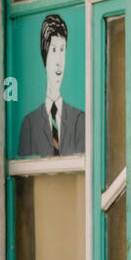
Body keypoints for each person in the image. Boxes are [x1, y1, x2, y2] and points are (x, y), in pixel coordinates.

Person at [17, 13, 86, 158]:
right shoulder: (29, 124)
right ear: (44, 55)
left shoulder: (79, 120)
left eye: (62, 50)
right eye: (53, 50)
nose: (59, 61)